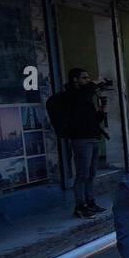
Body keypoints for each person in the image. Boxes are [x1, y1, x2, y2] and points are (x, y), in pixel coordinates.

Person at [46, 67, 109, 217]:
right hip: (81, 140)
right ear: (75, 80)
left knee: (91, 174)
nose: (88, 81)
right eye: (84, 78)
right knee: (82, 174)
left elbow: (94, 119)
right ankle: (80, 206)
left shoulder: (85, 97)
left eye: (88, 78)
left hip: (93, 137)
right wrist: (95, 83)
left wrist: (101, 111)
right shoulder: (71, 96)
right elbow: (82, 97)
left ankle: (90, 201)